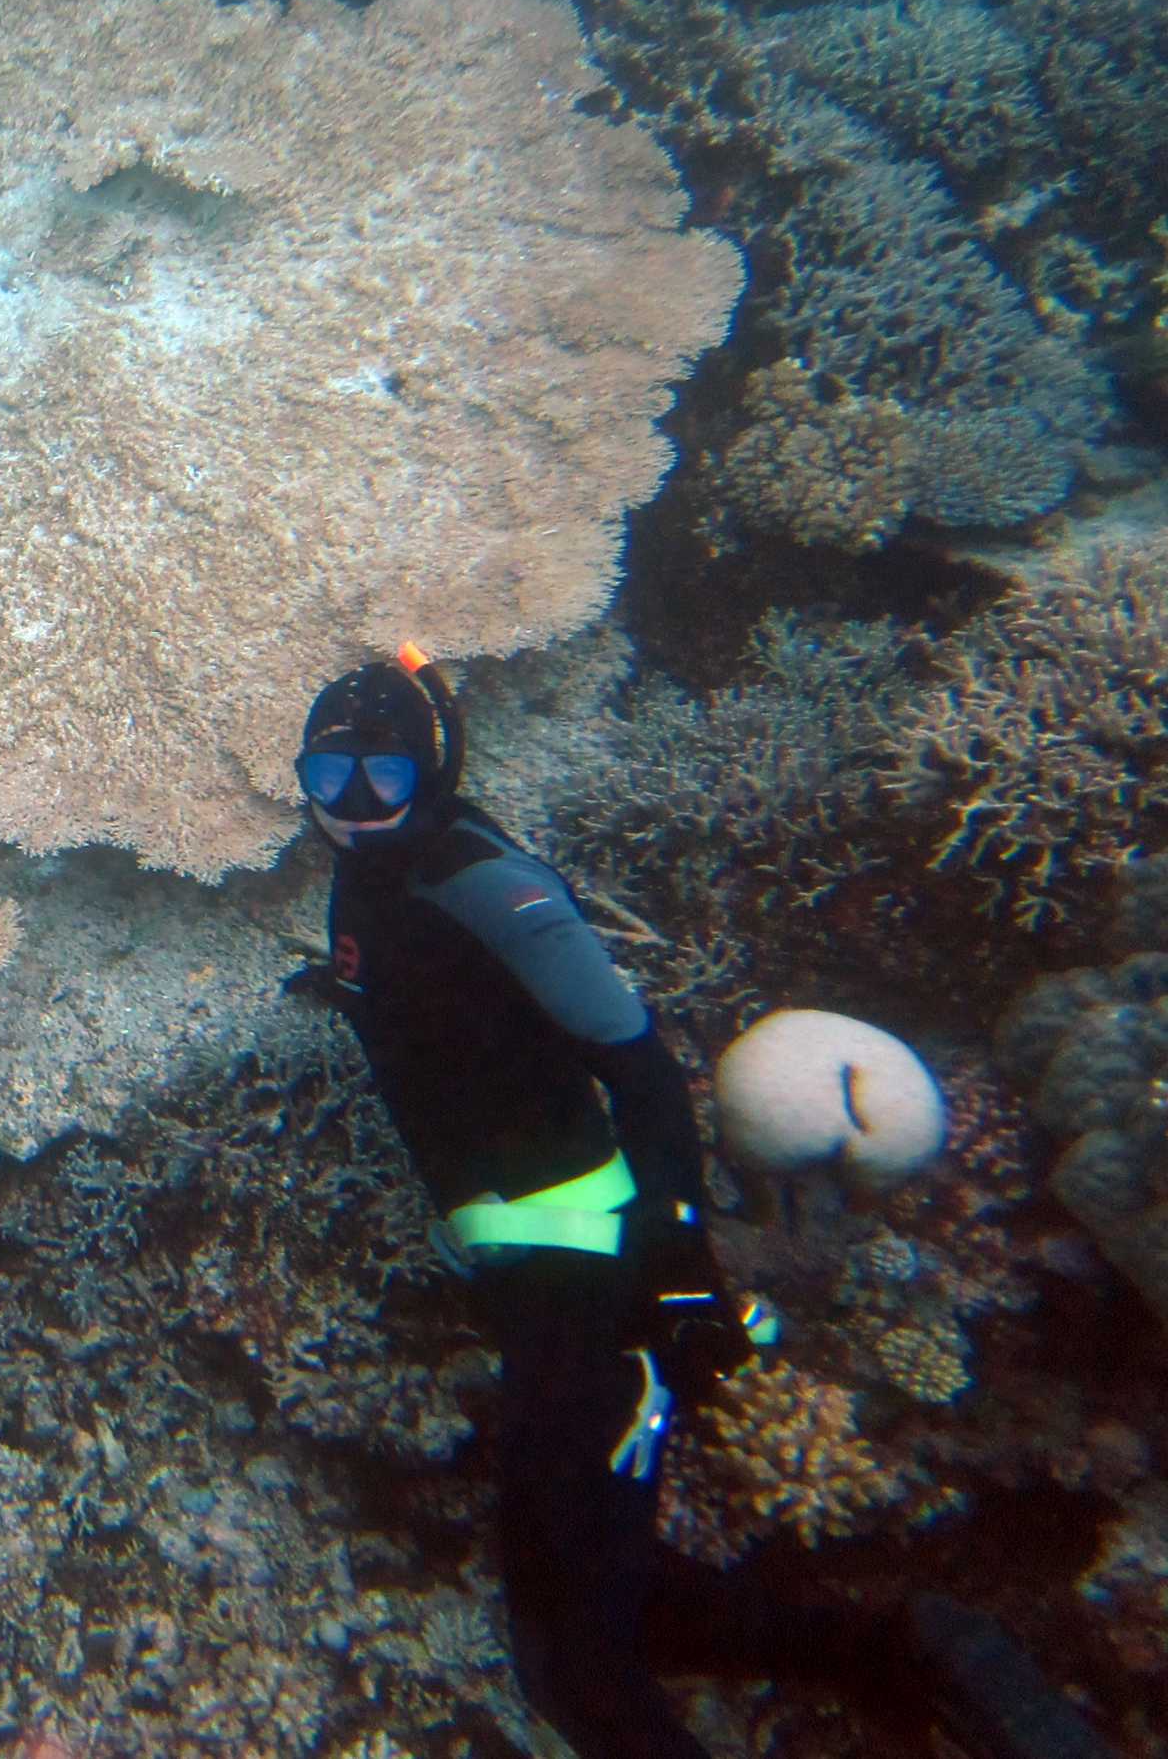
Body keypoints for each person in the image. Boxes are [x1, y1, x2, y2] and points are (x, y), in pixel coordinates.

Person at [288, 646, 1110, 1759]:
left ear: (430, 771)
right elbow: (450, 1028)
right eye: (327, 782)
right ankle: (900, 1650)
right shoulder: (372, 877)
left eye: (380, 780)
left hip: (598, 1273)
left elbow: (643, 1072)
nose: (354, 811)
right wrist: (355, 1000)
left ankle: (920, 1655)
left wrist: (678, 1266)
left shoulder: (494, 886)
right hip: (529, 1280)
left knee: (577, 1675)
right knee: (575, 1607)